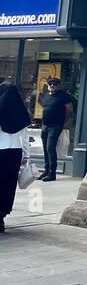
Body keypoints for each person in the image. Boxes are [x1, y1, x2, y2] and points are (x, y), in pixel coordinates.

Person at [0, 79, 31, 234]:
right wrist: (26, 155)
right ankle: (1, 216)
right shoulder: (20, 111)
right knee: (8, 184)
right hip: (14, 153)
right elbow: (25, 137)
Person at [38, 78, 73, 182]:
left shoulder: (63, 95)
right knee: (45, 148)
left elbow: (70, 110)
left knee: (50, 147)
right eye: (50, 83)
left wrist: (63, 121)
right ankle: (46, 170)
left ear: (59, 85)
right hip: (45, 125)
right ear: (47, 85)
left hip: (55, 125)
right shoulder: (44, 95)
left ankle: (52, 173)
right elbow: (43, 106)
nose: (52, 85)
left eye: (55, 84)